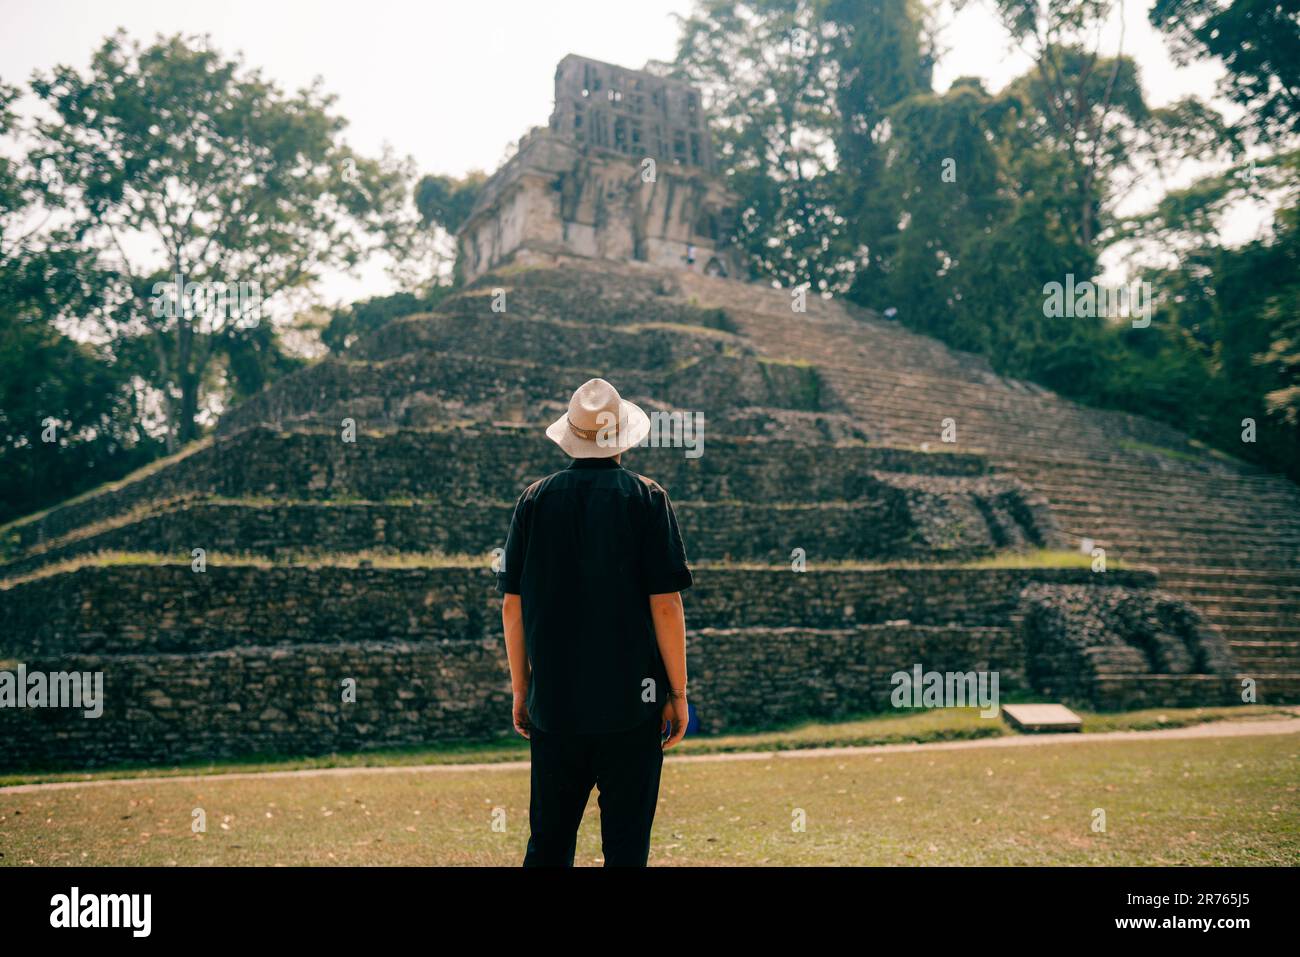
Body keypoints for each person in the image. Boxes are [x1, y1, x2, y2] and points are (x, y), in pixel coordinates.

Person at [497, 378, 694, 867]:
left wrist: (522, 691)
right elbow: (666, 603)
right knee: (627, 849)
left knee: (547, 844)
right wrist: (678, 694)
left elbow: (513, 606)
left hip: (555, 706)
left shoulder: (535, 500)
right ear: (623, 438)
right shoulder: (646, 499)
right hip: (633, 703)